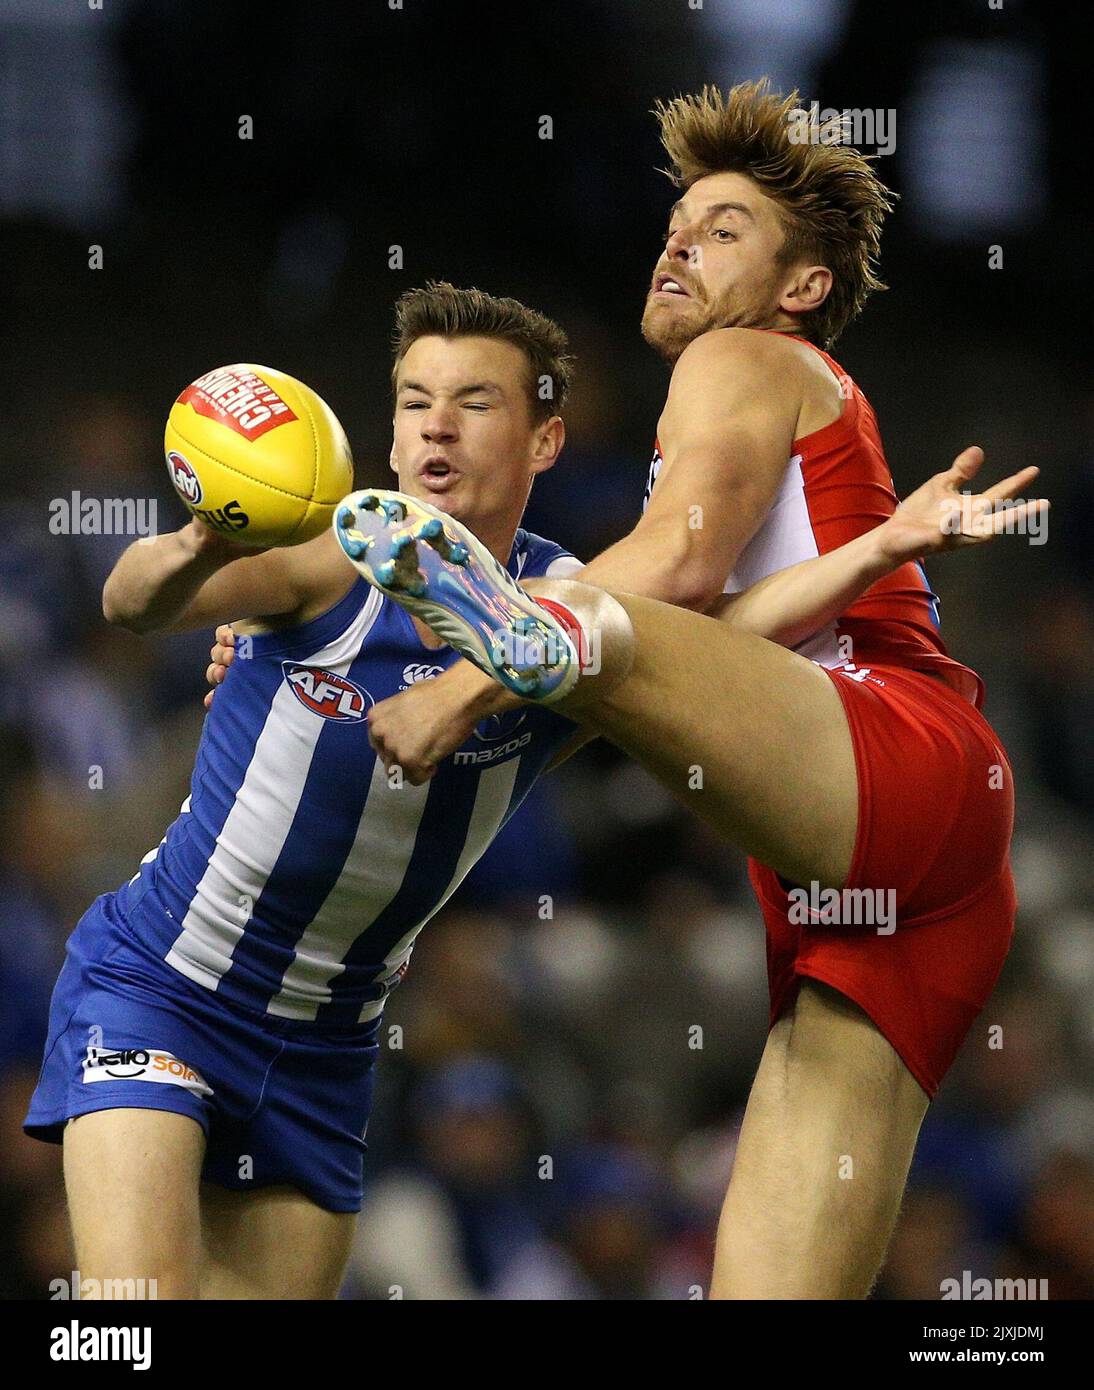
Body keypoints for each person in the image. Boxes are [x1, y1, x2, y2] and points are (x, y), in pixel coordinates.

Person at [330, 82, 1048, 1299]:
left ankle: (500, 626)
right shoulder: (776, 391)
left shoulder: (741, 352)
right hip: (921, 858)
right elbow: (727, 628)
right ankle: (516, 635)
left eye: (721, 229)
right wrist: (870, 555)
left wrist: (459, 688)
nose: (678, 242)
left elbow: (674, 563)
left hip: (883, 752)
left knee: (602, 616)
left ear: (799, 287)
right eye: (677, 223)